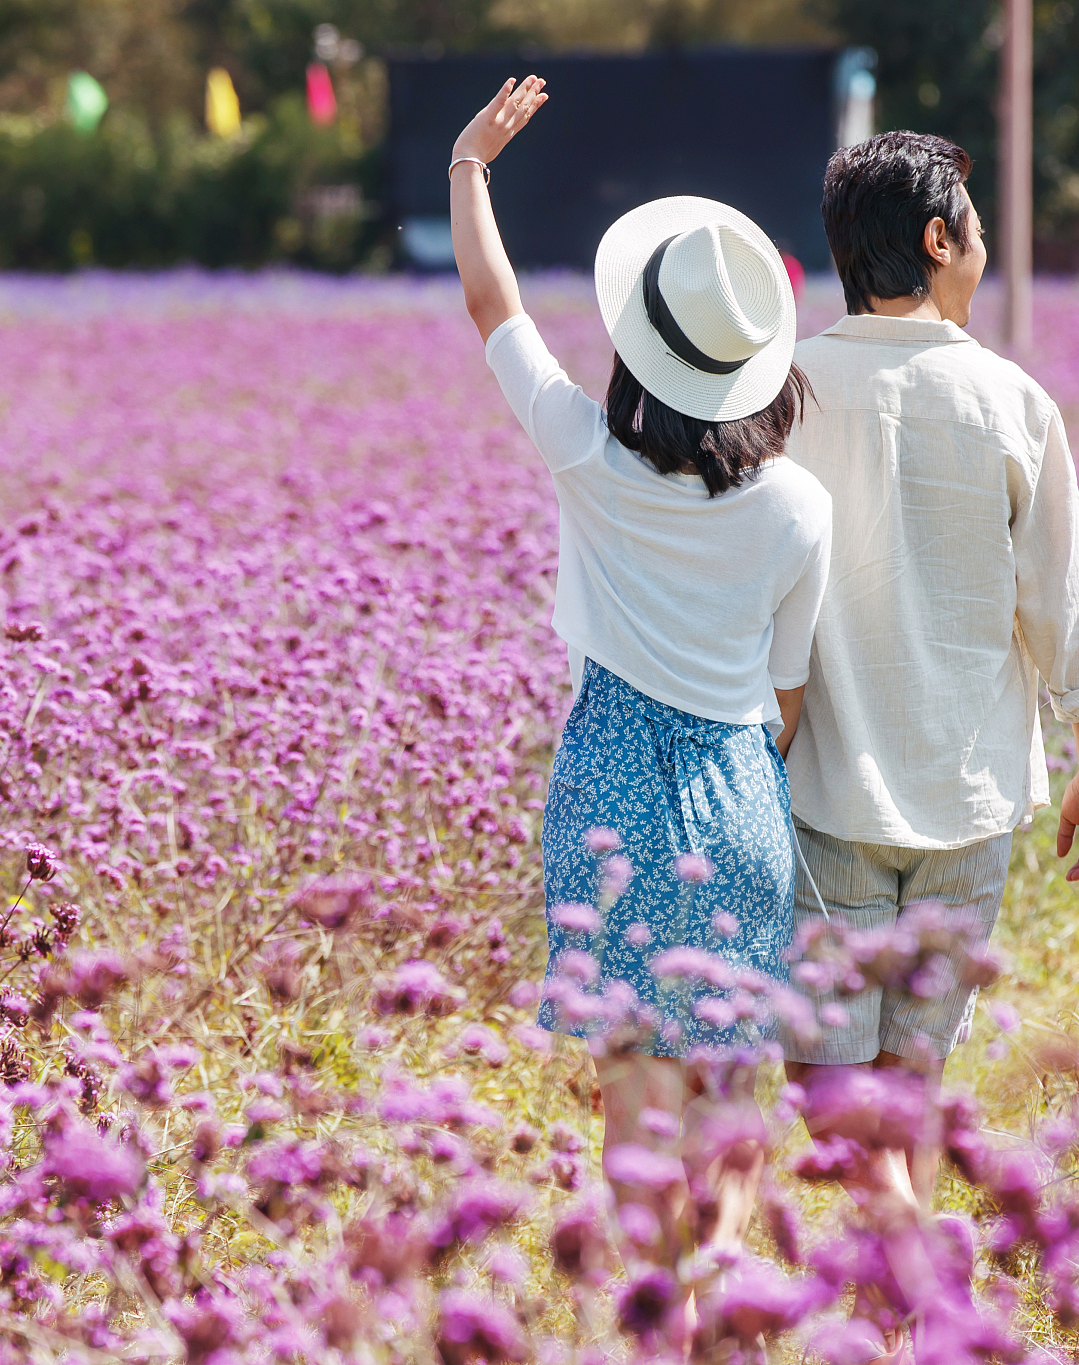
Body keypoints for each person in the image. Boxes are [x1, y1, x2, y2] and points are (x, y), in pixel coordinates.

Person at [447, 75, 833, 1314]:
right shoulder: (796, 507)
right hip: (736, 798)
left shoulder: (587, 455)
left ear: (636, 350)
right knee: (728, 1082)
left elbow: (493, 306)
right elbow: (786, 693)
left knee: (632, 1071)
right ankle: (724, 1297)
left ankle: (654, 1315)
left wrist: (469, 170)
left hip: (608, 777)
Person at [781, 131, 1079, 1222]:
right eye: (972, 236)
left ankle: (895, 1276)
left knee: (827, 1074)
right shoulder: (1010, 401)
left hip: (820, 785)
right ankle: (908, 1280)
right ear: (937, 240)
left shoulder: (780, 390)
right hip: (967, 791)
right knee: (911, 1079)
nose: (978, 257)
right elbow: (1060, 606)